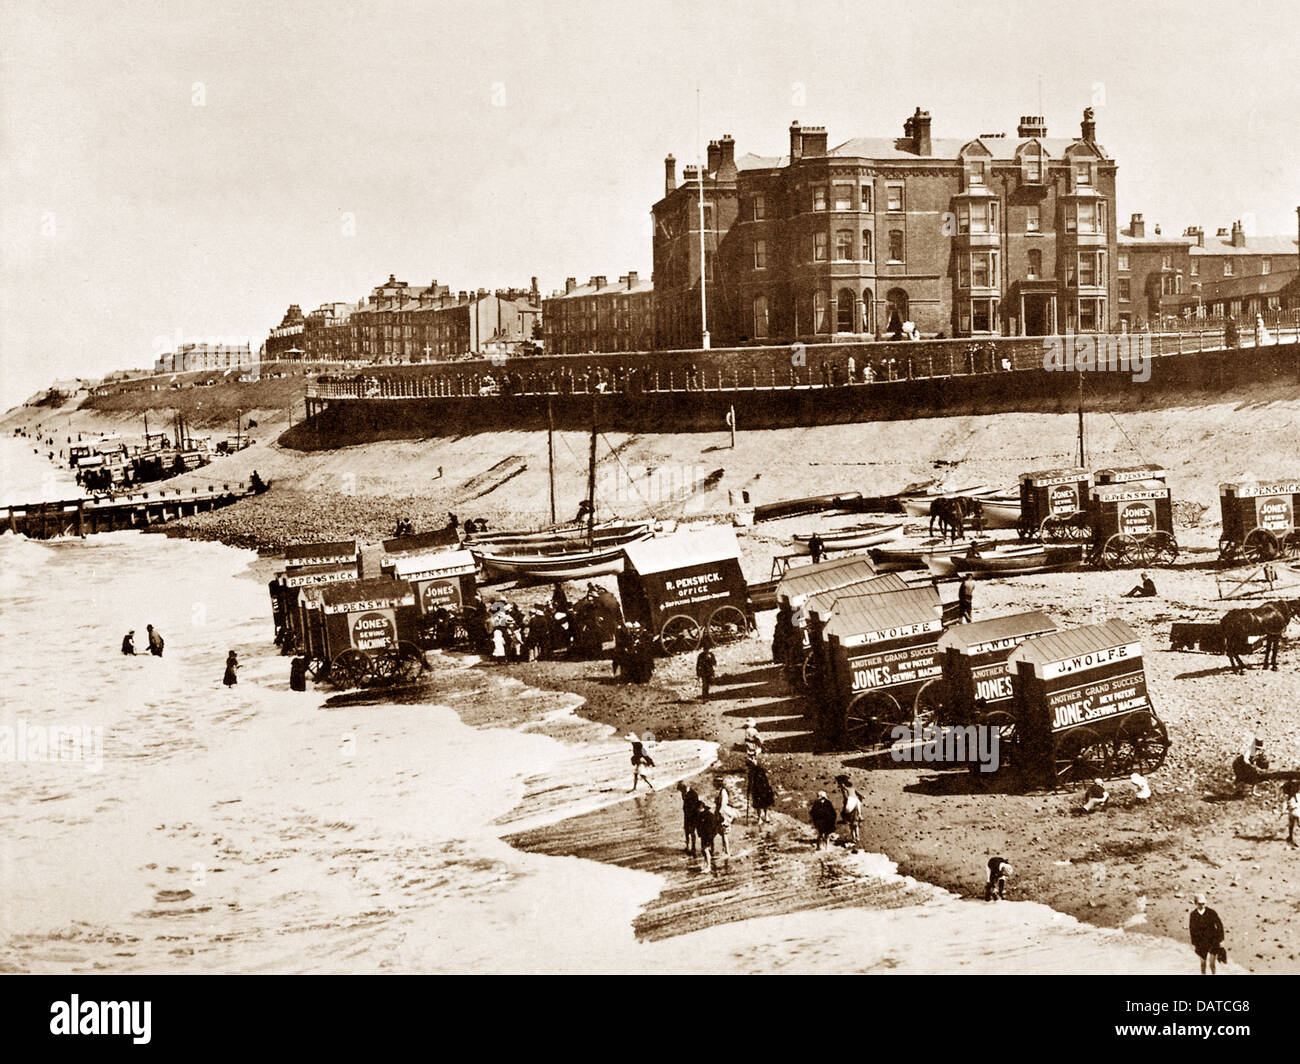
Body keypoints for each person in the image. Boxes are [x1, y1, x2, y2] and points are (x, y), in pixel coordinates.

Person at [1189, 894, 1225, 974]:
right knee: (1202, 964)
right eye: (1199, 904)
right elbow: (1192, 930)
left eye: (1203, 904)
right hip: (1201, 942)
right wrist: (1194, 943)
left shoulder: (1211, 912)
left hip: (1213, 941)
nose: (1201, 906)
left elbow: (1219, 926)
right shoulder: (1193, 915)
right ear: (1195, 903)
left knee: (1212, 963)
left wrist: (1221, 940)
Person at [835, 774, 861, 847]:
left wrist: (845, 806)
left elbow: (846, 798)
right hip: (856, 804)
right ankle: (857, 837)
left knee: (851, 824)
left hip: (850, 804)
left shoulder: (845, 789)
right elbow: (858, 794)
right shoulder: (852, 788)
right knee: (855, 824)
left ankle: (853, 838)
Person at [677, 781, 701, 855]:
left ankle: (693, 847)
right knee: (687, 831)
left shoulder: (693, 794)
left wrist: (691, 814)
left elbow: (695, 806)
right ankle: (688, 846)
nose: (681, 792)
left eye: (681, 790)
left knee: (692, 831)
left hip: (692, 816)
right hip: (687, 815)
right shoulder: (685, 793)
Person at [750, 762, 775, 827]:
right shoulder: (752, 774)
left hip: (763, 789)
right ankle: (759, 818)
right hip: (757, 790)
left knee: (765, 804)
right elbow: (751, 783)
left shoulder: (761, 773)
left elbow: (766, 782)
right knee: (758, 805)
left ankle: (765, 816)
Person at [714, 778, 735, 857]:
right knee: (722, 833)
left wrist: (720, 813)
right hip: (720, 813)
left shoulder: (723, 792)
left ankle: (727, 852)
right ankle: (724, 850)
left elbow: (723, 804)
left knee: (724, 833)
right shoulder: (721, 791)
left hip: (723, 814)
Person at [1283, 781, 1299, 848]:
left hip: (1298, 812)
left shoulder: (1298, 796)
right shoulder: (1288, 798)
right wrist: (1284, 810)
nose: (1291, 793)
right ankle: (1291, 837)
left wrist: (1295, 806)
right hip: (1291, 813)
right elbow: (1285, 804)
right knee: (1291, 826)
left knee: (1298, 824)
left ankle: (1295, 838)